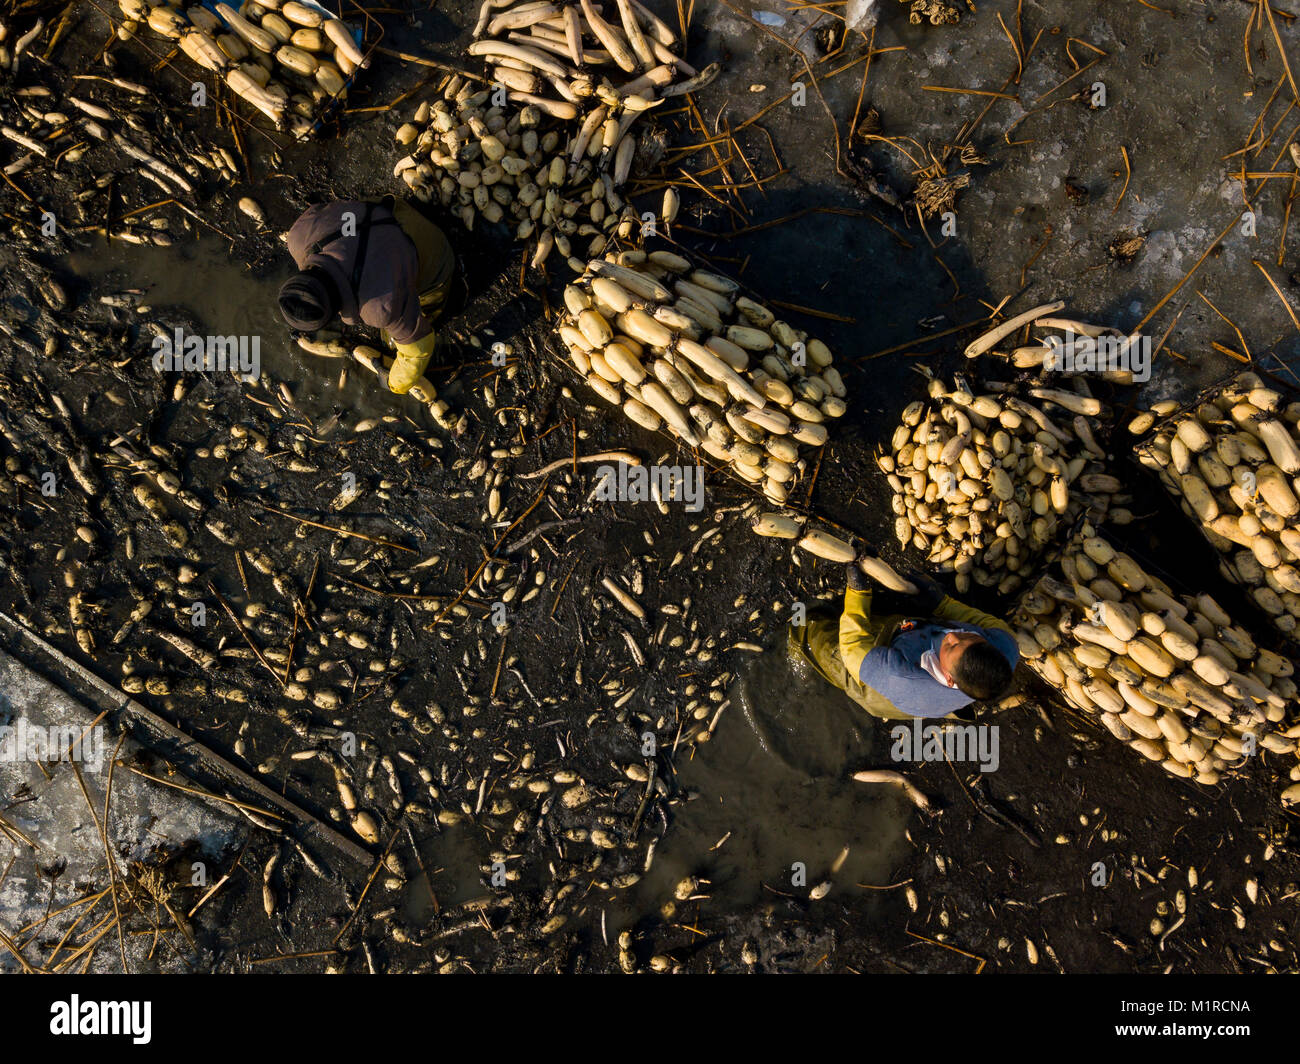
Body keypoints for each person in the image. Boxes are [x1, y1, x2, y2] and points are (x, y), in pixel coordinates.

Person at [789, 559, 1018, 721]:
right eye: (967, 637)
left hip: (877, 683)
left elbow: (853, 648)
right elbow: (977, 620)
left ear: (949, 679)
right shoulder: (1005, 644)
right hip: (914, 648)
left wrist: (858, 592)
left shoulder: (902, 677)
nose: (951, 635)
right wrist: (942, 604)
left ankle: (796, 639)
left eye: (951, 647)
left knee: (819, 638)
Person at [277, 196, 457, 394]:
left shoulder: (378, 308)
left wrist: (395, 383)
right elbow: (328, 209)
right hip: (393, 210)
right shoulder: (298, 236)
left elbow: (419, 349)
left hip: (431, 246)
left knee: (392, 339)